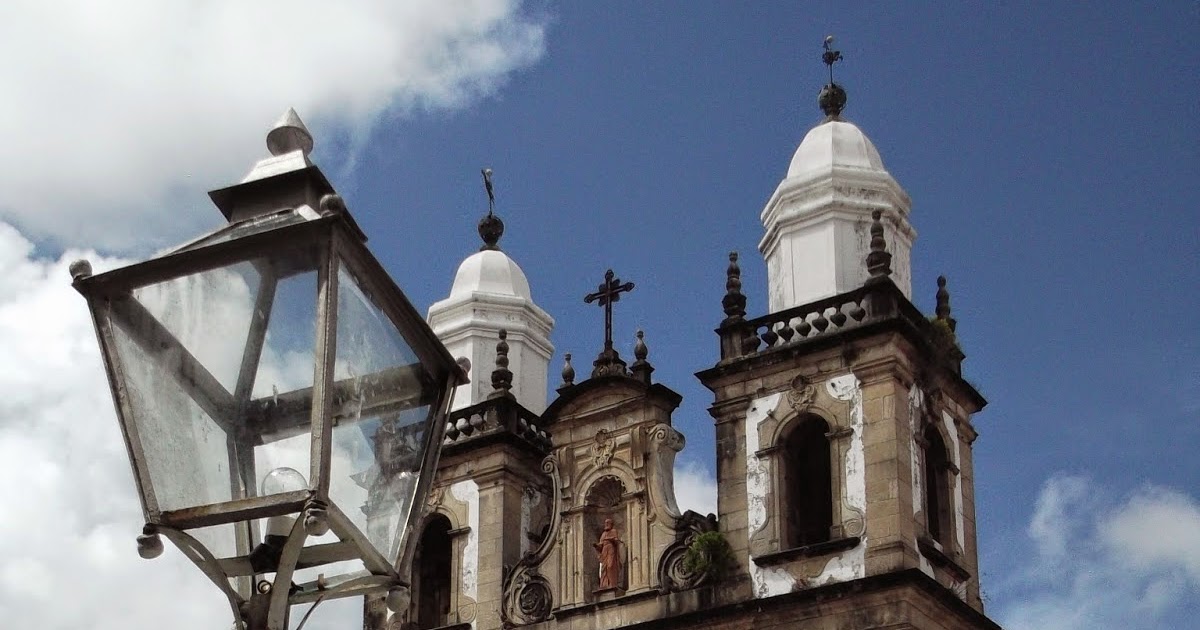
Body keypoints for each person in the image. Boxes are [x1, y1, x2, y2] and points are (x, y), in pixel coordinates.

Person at [594, 518, 622, 590]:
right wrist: (596, 546)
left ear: (611, 524)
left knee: (610, 565)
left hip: (611, 549)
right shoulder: (603, 534)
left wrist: (611, 539)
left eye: (608, 523)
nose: (606, 524)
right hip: (604, 551)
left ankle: (612, 583)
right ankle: (604, 585)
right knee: (603, 568)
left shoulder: (613, 531)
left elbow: (616, 541)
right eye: (605, 523)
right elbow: (601, 545)